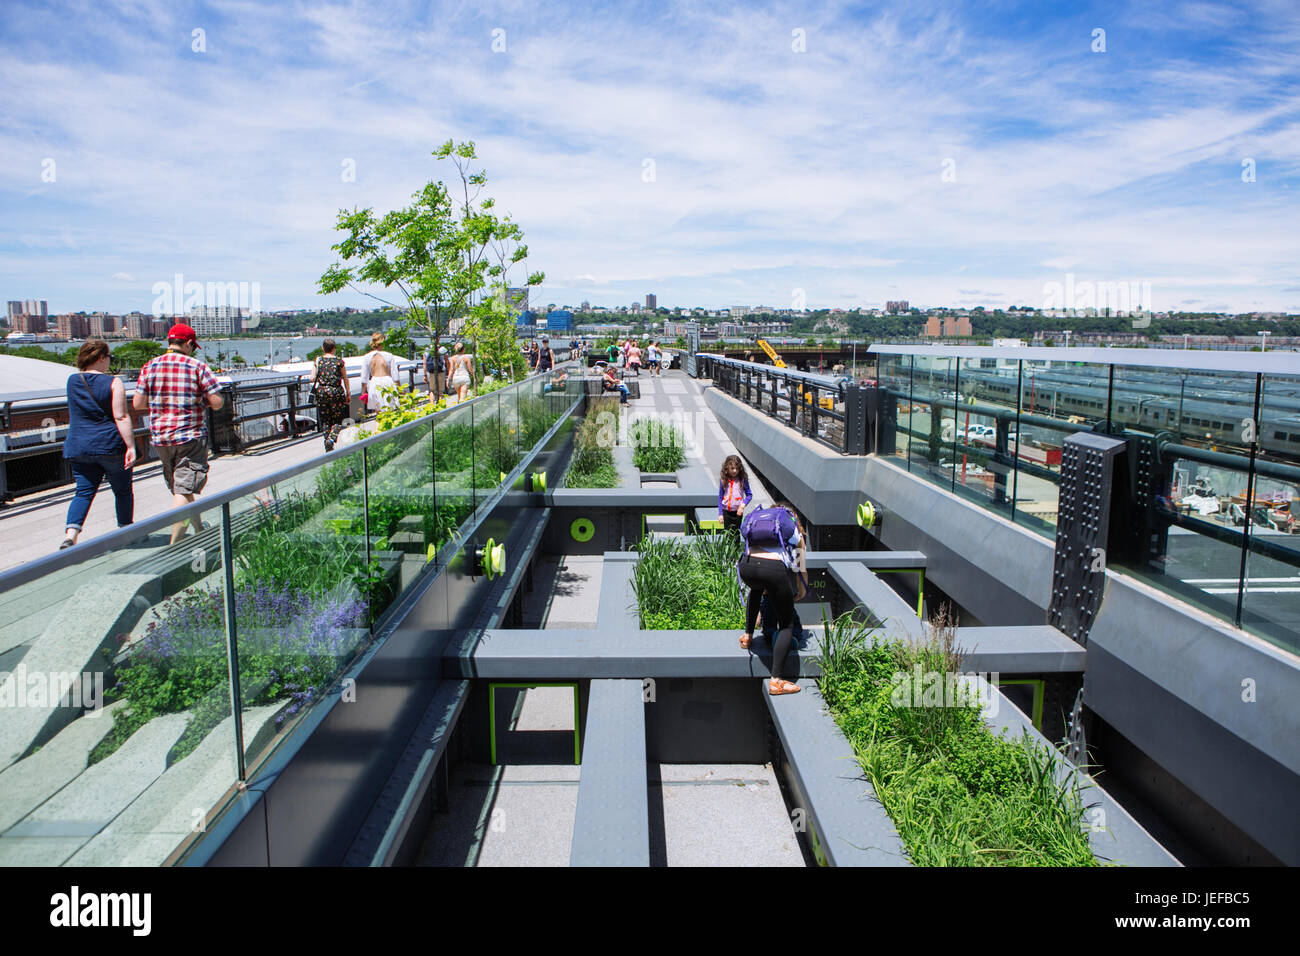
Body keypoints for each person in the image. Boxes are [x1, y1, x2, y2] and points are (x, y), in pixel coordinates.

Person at [132, 323, 224, 544]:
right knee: (183, 490)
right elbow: (218, 402)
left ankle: (199, 529)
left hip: (161, 438)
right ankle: (175, 546)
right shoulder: (196, 367)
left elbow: (137, 403)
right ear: (190, 344)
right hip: (190, 436)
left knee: (182, 486)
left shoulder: (149, 366)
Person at [60, 339, 137, 549]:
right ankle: (125, 532)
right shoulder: (114, 382)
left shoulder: (72, 381)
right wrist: (130, 446)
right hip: (109, 445)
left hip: (78, 445)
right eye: (109, 358)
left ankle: (71, 535)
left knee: (83, 491)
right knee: (122, 490)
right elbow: (120, 416)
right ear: (101, 358)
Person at [736, 500, 804, 695]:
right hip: (773, 570)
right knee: (786, 624)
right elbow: (800, 563)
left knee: (756, 589)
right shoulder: (790, 525)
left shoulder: (759, 521)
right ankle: (776, 680)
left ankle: (747, 637)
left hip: (747, 566)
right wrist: (801, 588)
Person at [310, 339, 350, 452]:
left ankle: (327, 443)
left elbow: (311, 378)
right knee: (338, 419)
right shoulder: (339, 361)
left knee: (325, 419)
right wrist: (348, 393)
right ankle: (331, 439)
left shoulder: (319, 360)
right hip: (336, 391)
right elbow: (345, 378)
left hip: (322, 392)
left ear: (323, 348)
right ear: (334, 348)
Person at [360, 332, 399, 412]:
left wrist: (363, 393)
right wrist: (400, 390)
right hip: (388, 382)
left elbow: (364, 378)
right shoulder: (389, 356)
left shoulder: (367, 357)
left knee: (378, 413)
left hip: (375, 383)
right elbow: (395, 376)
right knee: (390, 410)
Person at [717, 454, 753, 535]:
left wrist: (742, 506)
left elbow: (749, 495)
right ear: (727, 468)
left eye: (737, 468)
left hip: (737, 512)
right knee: (727, 535)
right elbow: (720, 498)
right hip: (726, 511)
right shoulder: (723, 480)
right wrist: (720, 514)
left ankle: (736, 547)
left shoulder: (743, 480)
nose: (734, 471)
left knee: (736, 535)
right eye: (732, 468)